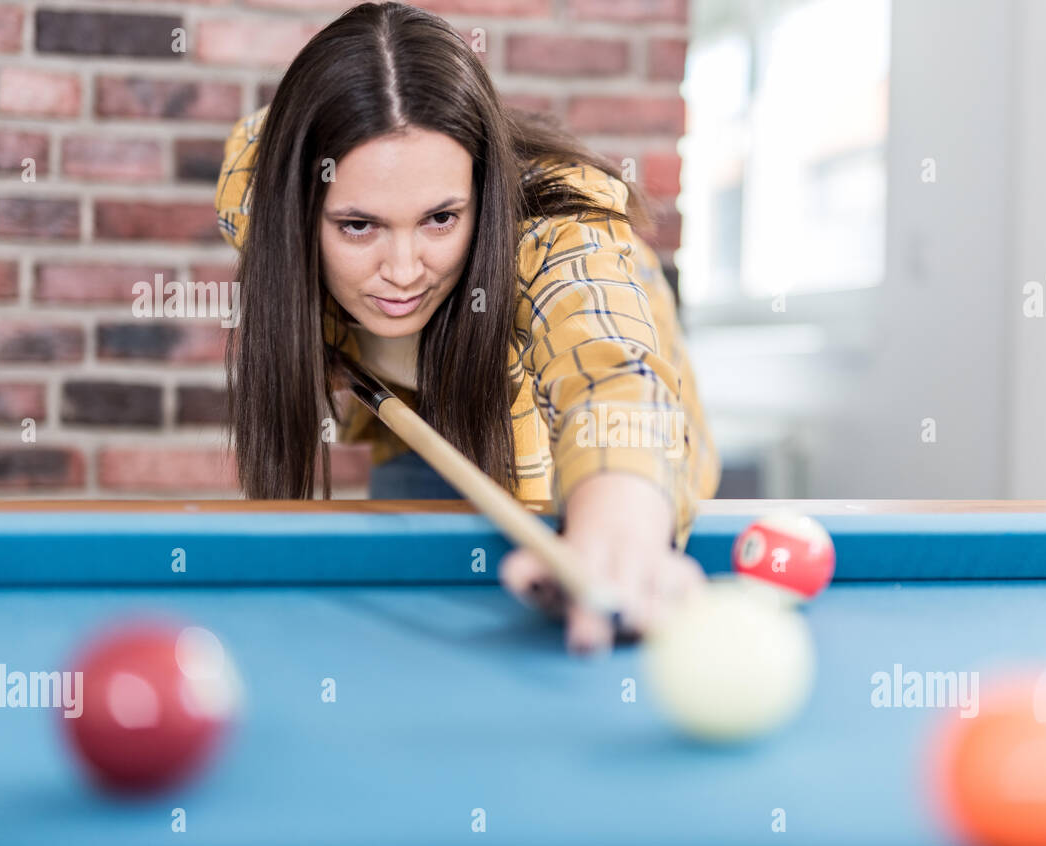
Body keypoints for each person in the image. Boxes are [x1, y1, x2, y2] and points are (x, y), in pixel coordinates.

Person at [213, 2, 720, 652]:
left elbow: (612, 371)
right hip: (421, 421)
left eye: (441, 219)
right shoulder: (257, 191)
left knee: (580, 601)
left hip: (559, 425)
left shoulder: (557, 234)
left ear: (483, 191)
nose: (401, 272)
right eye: (358, 226)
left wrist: (621, 517)